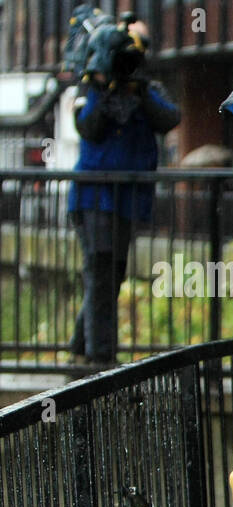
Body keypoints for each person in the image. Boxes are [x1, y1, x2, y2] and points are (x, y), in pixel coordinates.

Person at [67, 18, 180, 368]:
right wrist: (105, 86)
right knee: (100, 272)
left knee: (110, 275)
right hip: (94, 199)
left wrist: (139, 90)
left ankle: (81, 346)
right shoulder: (91, 91)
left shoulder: (146, 90)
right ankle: (100, 358)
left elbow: (170, 118)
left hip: (126, 202)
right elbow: (89, 128)